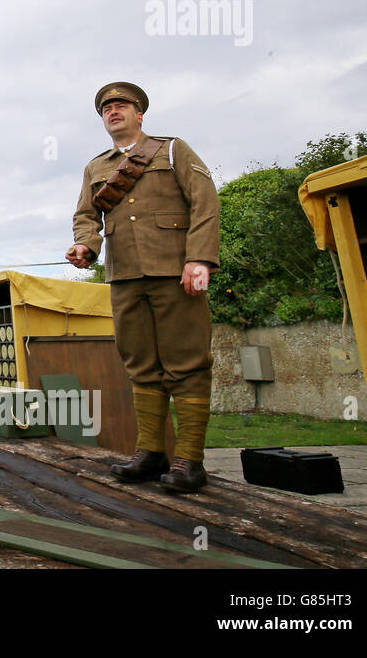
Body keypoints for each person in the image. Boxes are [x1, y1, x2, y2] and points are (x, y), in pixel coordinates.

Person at [66, 82, 220, 492]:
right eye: (106, 109)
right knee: (140, 366)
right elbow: (86, 215)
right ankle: (150, 453)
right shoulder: (96, 167)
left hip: (175, 272)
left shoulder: (172, 150)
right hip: (125, 276)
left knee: (186, 364)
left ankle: (190, 461)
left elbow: (205, 201)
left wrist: (199, 258)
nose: (113, 112)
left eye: (121, 105)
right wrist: (86, 244)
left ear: (139, 113)